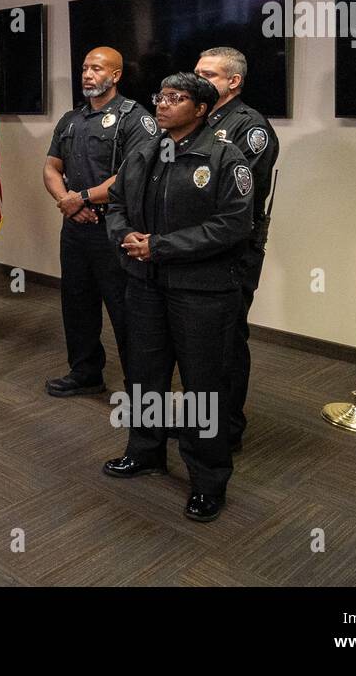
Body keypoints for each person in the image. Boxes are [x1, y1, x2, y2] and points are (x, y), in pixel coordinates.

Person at [102, 72, 252, 523]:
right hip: (144, 285)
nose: (162, 105)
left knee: (202, 386)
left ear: (201, 109)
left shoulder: (227, 158)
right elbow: (115, 205)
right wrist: (126, 236)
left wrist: (161, 246)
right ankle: (145, 450)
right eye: (160, 96)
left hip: (202, 292)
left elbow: (232, 225)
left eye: (176, 98)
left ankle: (207, 481)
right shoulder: (142, 151)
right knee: (145, 375)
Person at [43, 46, 157, 397]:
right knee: (76, 305)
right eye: (84, 68)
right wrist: (68, 202)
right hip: (75, 228)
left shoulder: (135, 118)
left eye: (96, 68)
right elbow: (51, 167)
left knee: (125, 312)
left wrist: (84, 197)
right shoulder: (71, 119)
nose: (87, 74)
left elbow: (131, 176)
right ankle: (86, 372)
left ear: (116, 75)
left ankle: (138, 387)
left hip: (113, 231)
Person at [194, 47, 278, 453]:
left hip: (230, 253)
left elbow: (221, 190)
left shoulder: (251, 127)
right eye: (196, 73)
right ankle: (200, 421)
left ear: (233, 82)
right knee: (194, 345)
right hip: (190, 249)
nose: (198, 81)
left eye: (208, 75)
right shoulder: (194, 121)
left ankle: (226, 429)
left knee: (225, 343)